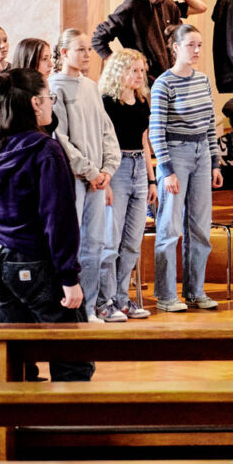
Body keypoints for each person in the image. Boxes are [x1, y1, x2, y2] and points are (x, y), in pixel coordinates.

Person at [0, 67, 93, 380]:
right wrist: (69, 277)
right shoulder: (44, 150)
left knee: (14, 354)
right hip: (35, 259)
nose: (52, 104)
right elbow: (58, 218)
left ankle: (16, 424)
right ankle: (69, 426)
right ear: (36, 103)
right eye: (49, 97)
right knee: (71, 354)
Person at [148, 24, 223, 312]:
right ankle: (167, 294)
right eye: (191, 45)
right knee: (169, 226)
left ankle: (195, 291)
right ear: (176, 48)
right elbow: (156, 130)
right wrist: (166, 170)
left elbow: (209, 125)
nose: (196, 51)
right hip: (175, 153)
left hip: (201, 152)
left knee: (200, 227)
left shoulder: (203, 80)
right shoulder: (163, 84)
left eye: (200, 45)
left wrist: (215, 162)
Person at [48, 29, 121, 321]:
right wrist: (89, 171)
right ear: (64, 53)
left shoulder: (91, 86)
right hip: (75, 179)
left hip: (97, 179)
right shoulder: (56, 87)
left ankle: (88, 308)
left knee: (95, 245)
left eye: (89, 50)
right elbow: (60, 136)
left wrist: (107, 169)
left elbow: (106, 130)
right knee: (73, 245)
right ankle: (69, 308)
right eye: (80, 50)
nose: (87, 55)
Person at [97, 48, 153, 320]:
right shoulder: (107, 102)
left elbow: (144, 142)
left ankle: (122, 297)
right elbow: (100, 143)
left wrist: (151, 179)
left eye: (142, 70)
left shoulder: (142, 100)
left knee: (132, 241)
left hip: (139, 167)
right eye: (135, 70)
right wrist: (105, 181)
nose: (140, 75)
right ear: (120, 71)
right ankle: (104, 299)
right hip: (116, 168)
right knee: (111, 240)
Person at [92, 0, 202, 81]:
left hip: (173, 78)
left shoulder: (170, 7)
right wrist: (120, 66)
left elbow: (179, 41)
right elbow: (98, 39)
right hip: (145, 82)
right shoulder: (129, 8)